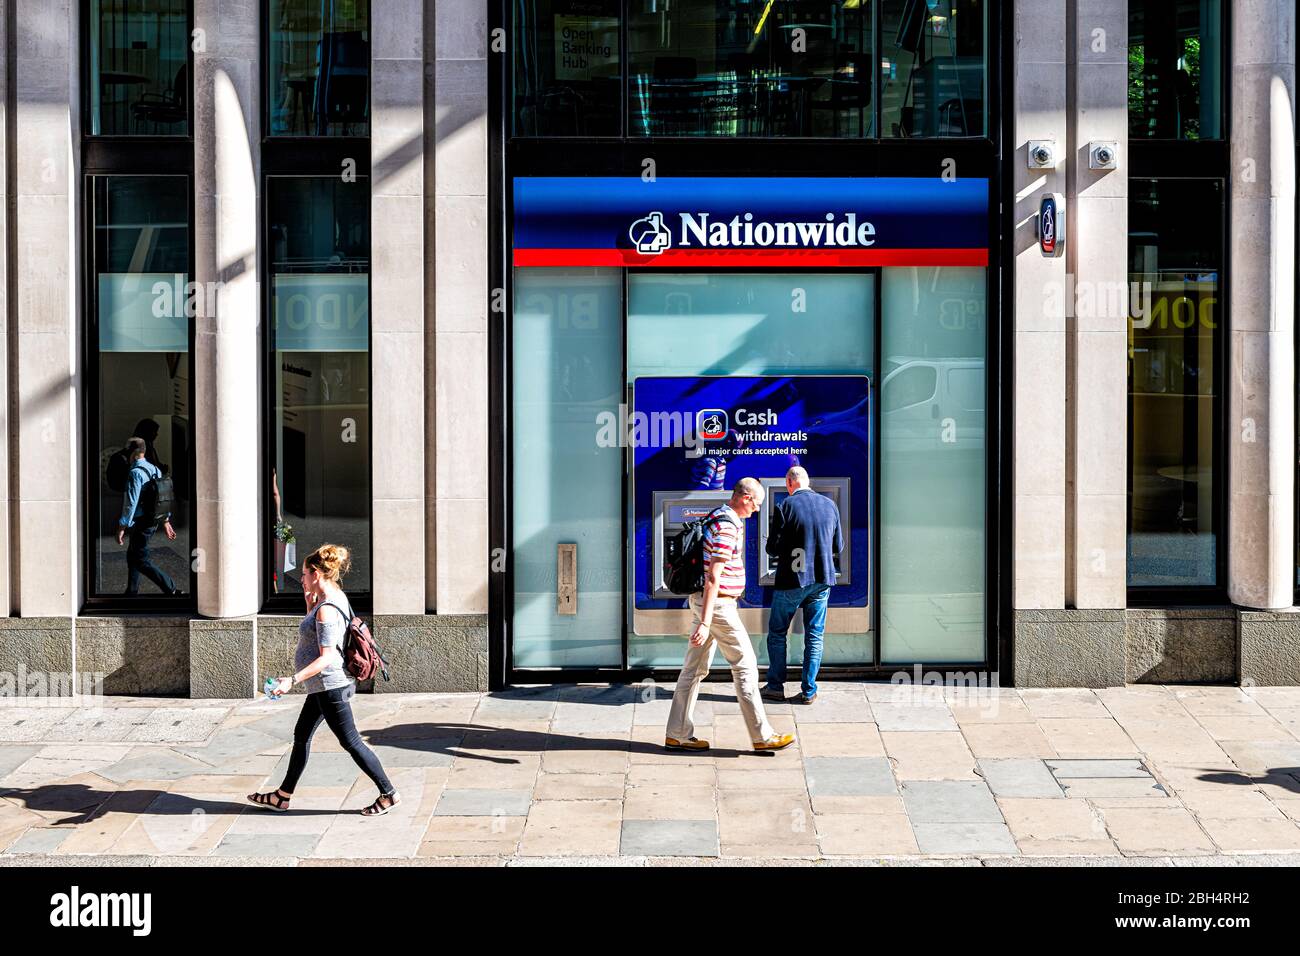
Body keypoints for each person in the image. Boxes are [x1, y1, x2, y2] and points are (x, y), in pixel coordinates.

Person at [248, 544, 400, 817]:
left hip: (331, 686)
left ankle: (388, 793)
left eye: (305, 574)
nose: (302, 578)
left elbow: (327, 656)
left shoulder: (327, 608)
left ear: (316, 573)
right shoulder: (331, 597)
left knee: (351, 741)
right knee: (301, 736)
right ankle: (283, 796)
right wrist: (309, 602)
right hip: (322, 687)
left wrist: (291, 681)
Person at [665, 477, 796, 753]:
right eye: (756, 503)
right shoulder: (726, 526)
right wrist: (706, 621)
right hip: (718, 607)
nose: (757, 510)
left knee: (693, 669)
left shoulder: (717, 515)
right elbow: (713, 577)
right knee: (746, 664)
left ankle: (677, 733)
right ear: (746, 498)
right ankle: (762, 735)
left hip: (707, 604)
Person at [762, 466, 843, 705]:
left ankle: (776, 686)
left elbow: (773, 548)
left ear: (789, 483)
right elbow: (838, 547)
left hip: (791, 581)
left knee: (778, 633)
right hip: (821, 580)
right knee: (815, 636)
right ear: (807, 482)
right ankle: (809, 690)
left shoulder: (784, 506)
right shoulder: (830, 506)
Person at [116, 437, 179, 595]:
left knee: (140, 559)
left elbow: (131, 502)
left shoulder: (135, 473)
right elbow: (162, 497)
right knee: (133, 556)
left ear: (132, 452)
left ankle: (170, 587)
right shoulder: (155, 469)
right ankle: (131, 592)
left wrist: (122, 526)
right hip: (153, 520)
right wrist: (166, 520)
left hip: (142, 522)